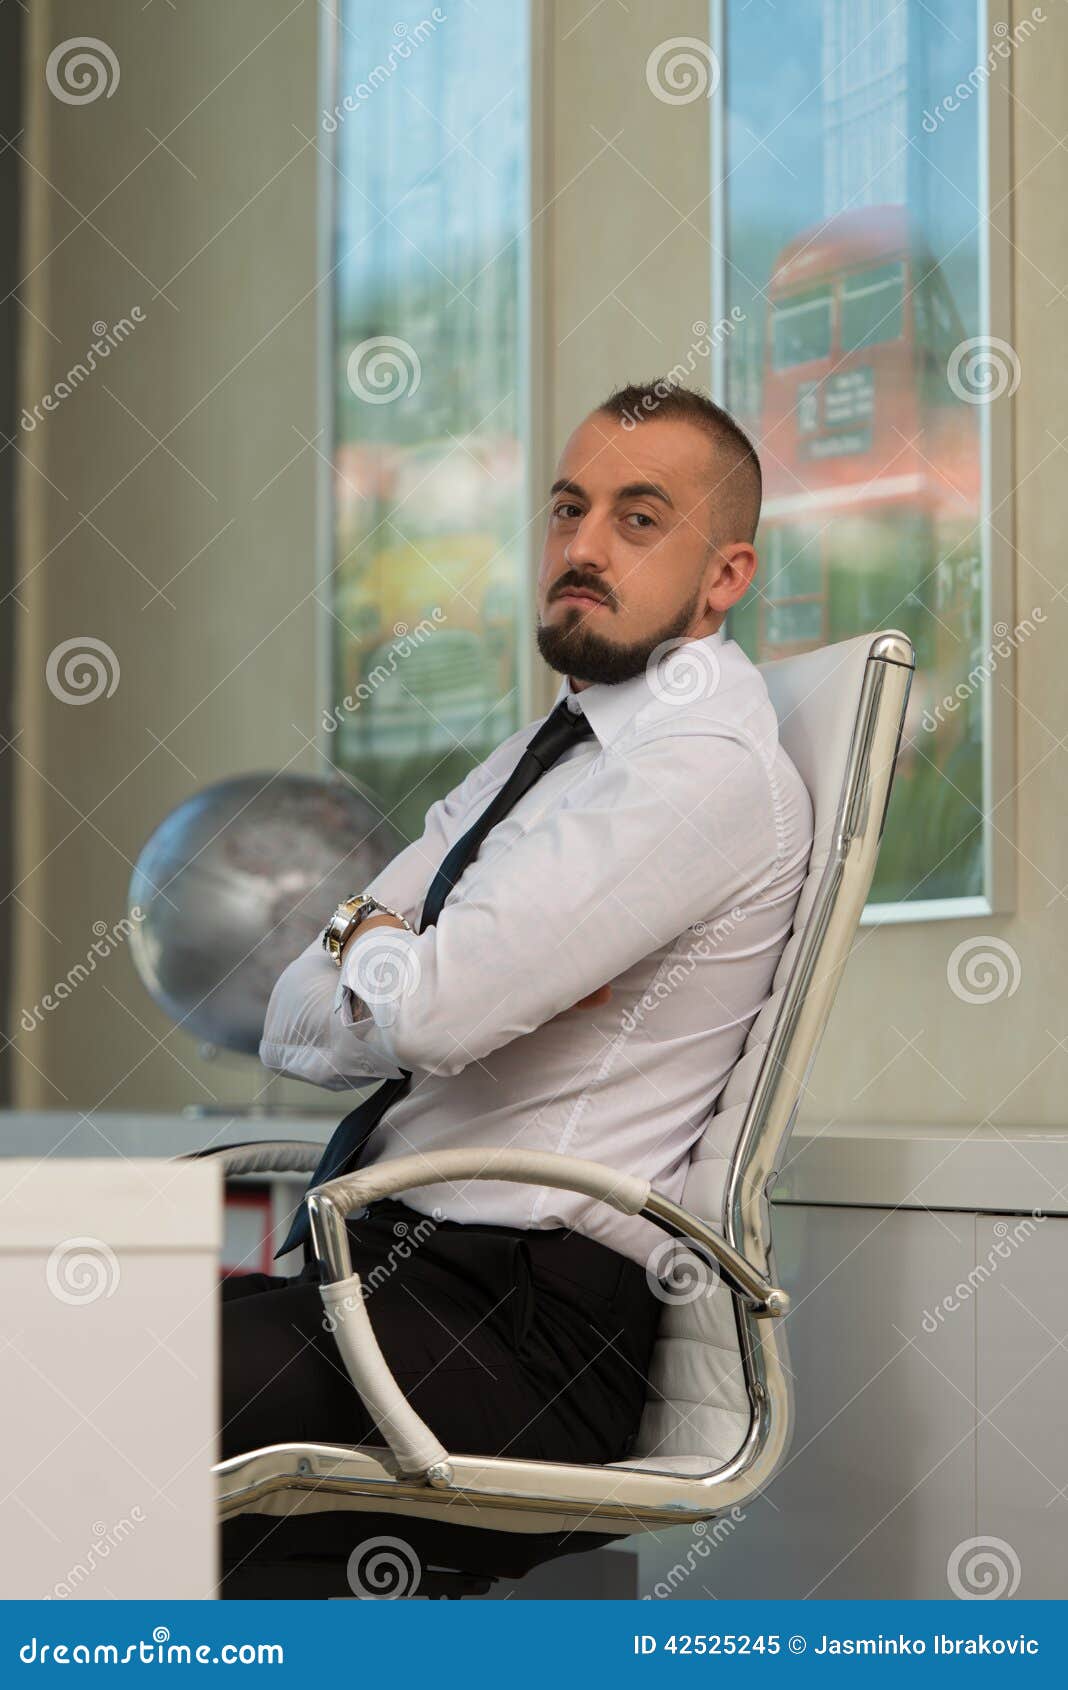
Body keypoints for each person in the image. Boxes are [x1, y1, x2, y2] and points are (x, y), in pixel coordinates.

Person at [221, 379, 814, 1475]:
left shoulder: (699, 770)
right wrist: (404, 939)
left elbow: (439, 1016)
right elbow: (290, 1007)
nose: (582, 545)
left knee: (80, 1382)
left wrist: (412, 952)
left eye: (639, 519)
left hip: (521, 1334)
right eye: (565, 508)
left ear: (726, 575)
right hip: (383, 1283)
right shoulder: (546, 749)